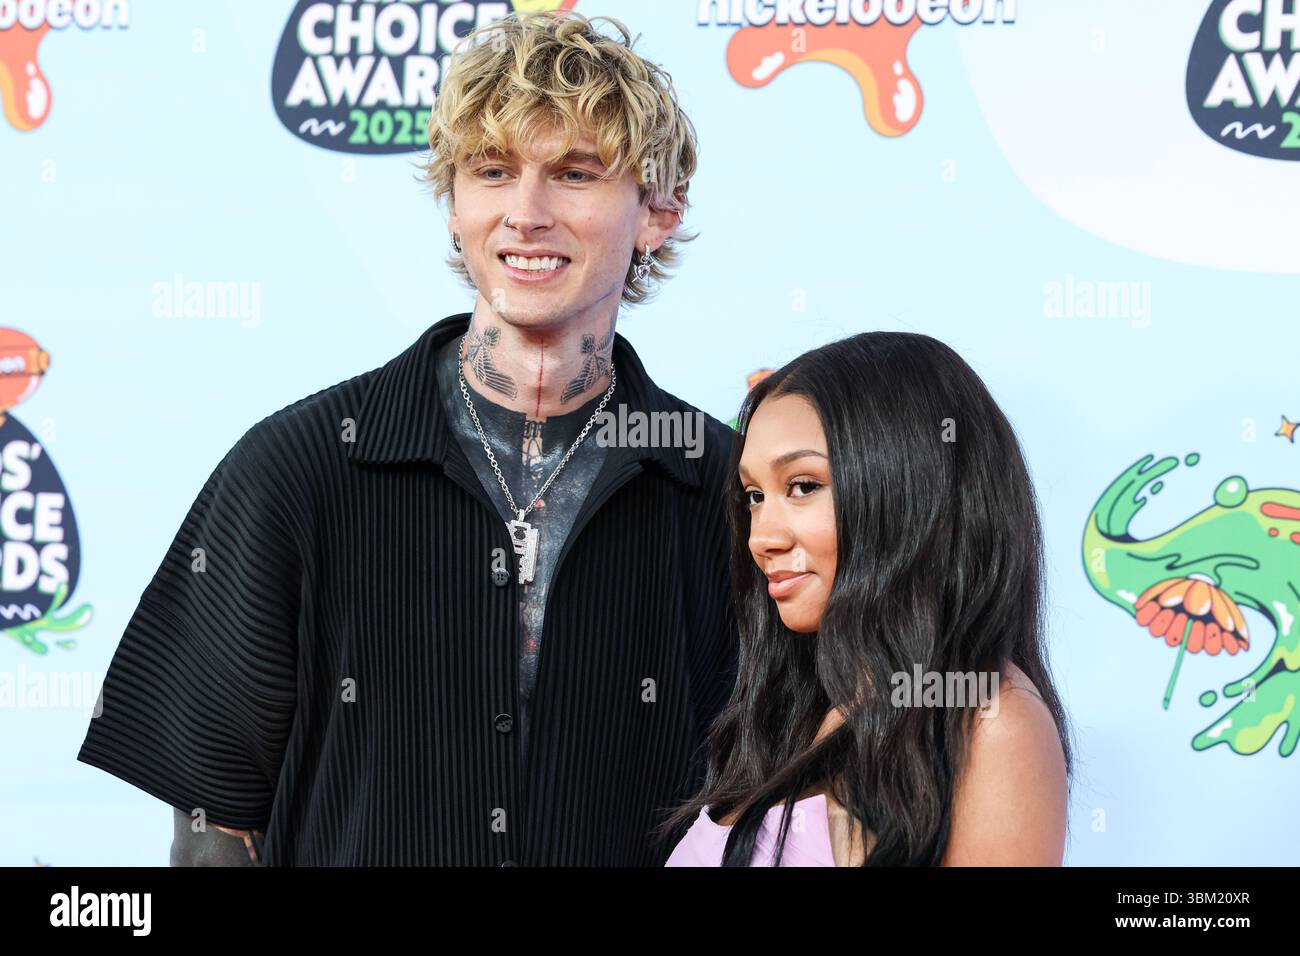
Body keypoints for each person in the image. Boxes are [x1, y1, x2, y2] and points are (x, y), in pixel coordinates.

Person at [77, 11, 739, 866]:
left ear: (656, 213)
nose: (525, 214)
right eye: (492, 172)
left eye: (573, 173)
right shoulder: (297, 470)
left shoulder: (721, 488)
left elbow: (775, 803)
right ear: (455, 205)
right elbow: (213, 823)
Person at [661, 332, 1073, 866]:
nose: (761, 537)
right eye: (754, 497)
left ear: (910, 490)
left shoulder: (989, 720)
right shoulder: (800, 711)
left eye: (803, 486)